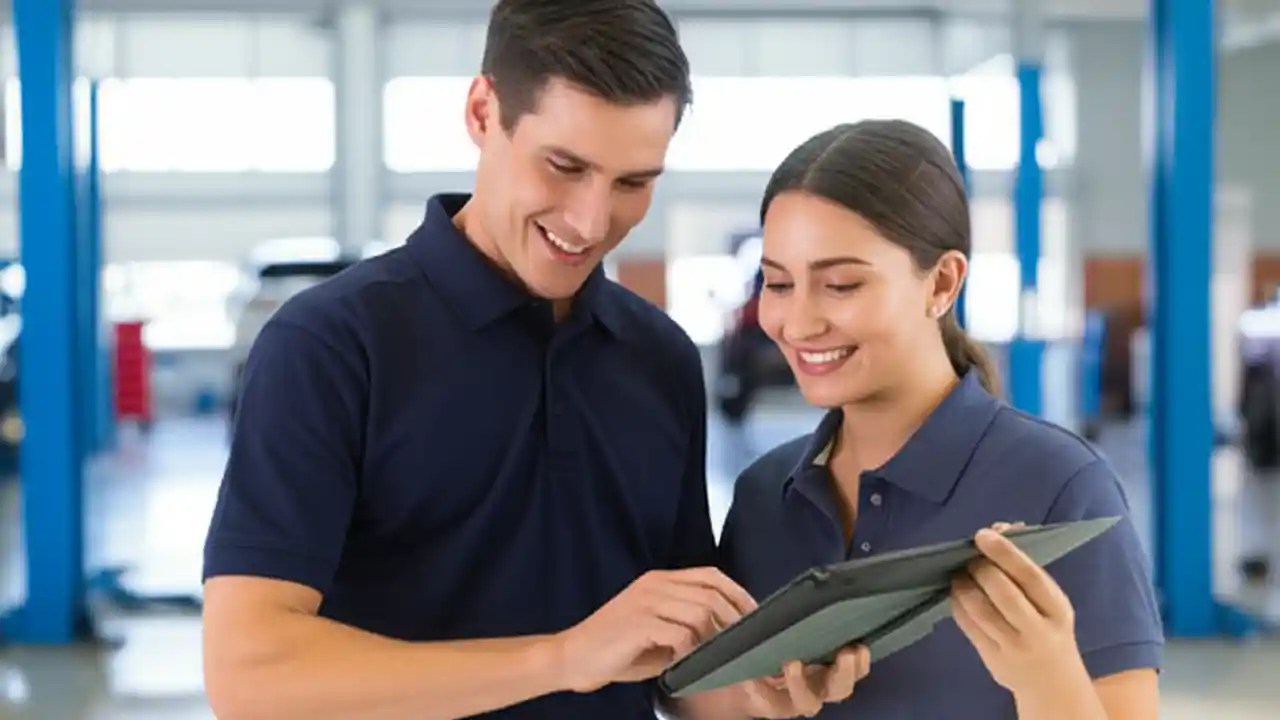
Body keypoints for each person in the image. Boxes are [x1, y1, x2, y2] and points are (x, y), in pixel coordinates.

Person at [200, 2, 859, 719]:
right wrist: (562, 657)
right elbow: (250, 677)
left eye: (633, 183)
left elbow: (680, 675)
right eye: (564, 166)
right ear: (484, 112)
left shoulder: (658, 359)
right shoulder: (329, 347)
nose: (591, 221)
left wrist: (766, 692)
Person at [710, 120, 1164, 719]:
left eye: (841, 284)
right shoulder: (766, 497)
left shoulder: (1060, 488)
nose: (798, 323)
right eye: (777, 282)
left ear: (943, 283)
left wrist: (1045, 680)